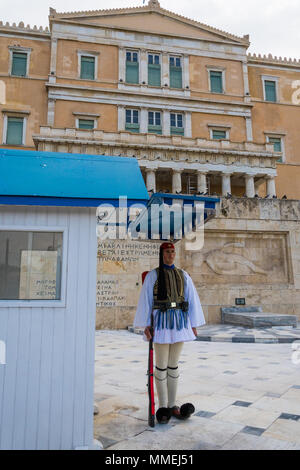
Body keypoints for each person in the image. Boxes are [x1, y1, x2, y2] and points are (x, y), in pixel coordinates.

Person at [133, 241, 205, 424]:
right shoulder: (153, 276)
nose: (171, 255)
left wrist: (194, 323)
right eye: (167, 252)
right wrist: (146, 325)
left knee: (173, 365)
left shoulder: (183, 275)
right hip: (162, 324)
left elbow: (192, 299)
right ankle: (162, 406)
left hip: (180, 323)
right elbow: (146, 300)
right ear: (161, 254)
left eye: (173, 252)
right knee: (161, 365)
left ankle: (173, 405)